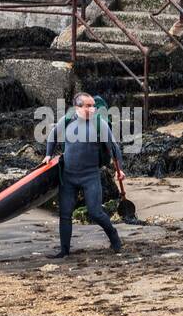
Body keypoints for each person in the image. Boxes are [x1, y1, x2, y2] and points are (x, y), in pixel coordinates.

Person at [44, 92, 124, 258]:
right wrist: (47, 155)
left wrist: (119, 170)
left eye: (94, 105)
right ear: (77, 108)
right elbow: (53, 136)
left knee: (95, 212)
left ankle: (114, 237)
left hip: (90, 175)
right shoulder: (67, 120)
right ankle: (64, 251)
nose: (93, 109)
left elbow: (114, 147)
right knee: (65, 214)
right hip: (68, 175)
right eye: (88, 106)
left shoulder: (99, 123)